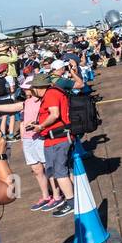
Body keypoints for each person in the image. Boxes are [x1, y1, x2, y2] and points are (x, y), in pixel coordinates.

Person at [0, 78, 67, 212]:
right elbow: (1, 107)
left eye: (26, 88)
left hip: (41, 138)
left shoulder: (44, 100)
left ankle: (57, 196)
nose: (24, 90)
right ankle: (46, 196)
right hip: (29, 140)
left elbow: (52, 115)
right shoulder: (26, 103)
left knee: (48, 169)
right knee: (37, 170)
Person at [25, 74, 75, 218]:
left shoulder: (51, 94)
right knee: (64, 170)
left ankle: (71, 202)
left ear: (38, 87)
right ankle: (74, 197)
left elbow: (54, 114)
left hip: (58, 139)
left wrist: (40, 126)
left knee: (60, 172)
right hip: (54, 138)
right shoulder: (52, 92)